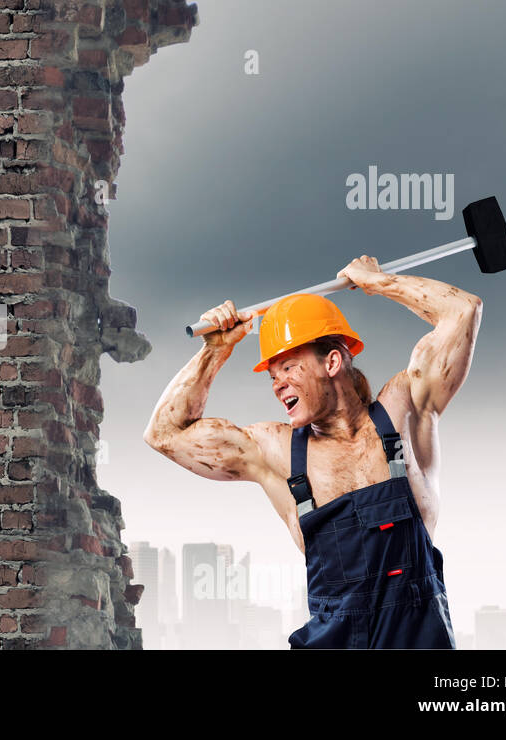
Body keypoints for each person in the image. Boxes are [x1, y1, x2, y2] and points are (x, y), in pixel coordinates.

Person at [143, 255, 482, 648]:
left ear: (332, 361)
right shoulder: (276, 451)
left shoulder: (404, 410)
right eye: (272, 376)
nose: (277, 384)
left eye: (287, 368)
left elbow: (463, 310)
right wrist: (215, 350)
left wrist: (378, 282)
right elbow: (165, 433)